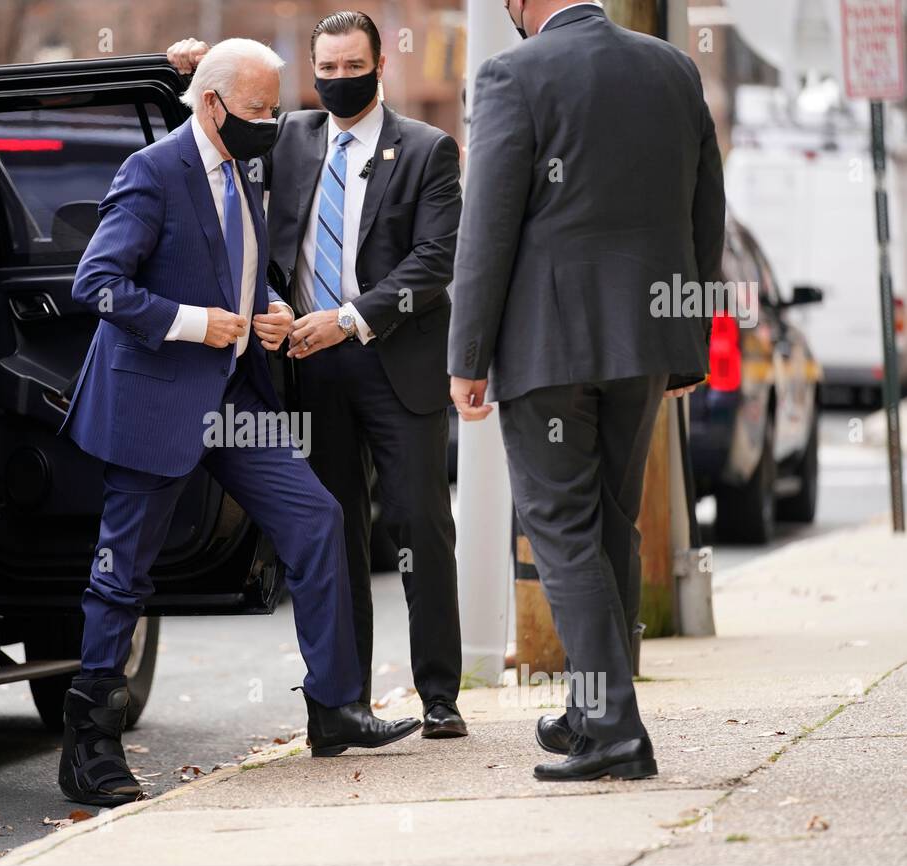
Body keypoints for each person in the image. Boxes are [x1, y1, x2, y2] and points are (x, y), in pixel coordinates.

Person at [58, 38, 421, 807]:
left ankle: (334, 707)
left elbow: (242, 271)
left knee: (318, 517)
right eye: (257, 110)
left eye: (274, 107)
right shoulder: (152, 172)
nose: (271, 122)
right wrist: (198, 323)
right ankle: (89, 746)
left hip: (233, 402)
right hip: (154, 400)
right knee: (123, 574)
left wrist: (270, 312)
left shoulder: (247, 168)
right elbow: (97, 283)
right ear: (214, 104)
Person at [167, 11, 467, 739]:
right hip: (308, 364)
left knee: (418, 528)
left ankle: (438, 695)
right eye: (325, 69)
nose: (338, 80)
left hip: (394, 358)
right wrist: (190, 75)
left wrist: (352, 316)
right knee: (332, 532)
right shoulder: (288, 137)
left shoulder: (428, 149)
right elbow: (215, 139)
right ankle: (346, 699)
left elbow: (433, 262)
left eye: (351, 67)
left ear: (379, 64)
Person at [448, 0, 725, 781]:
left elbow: (488, 225)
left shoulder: (513, 72)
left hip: (550, 342)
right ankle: (588, 706)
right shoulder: (672, 67)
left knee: (563, 530)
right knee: (609, 522)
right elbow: (707, 208)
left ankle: (612, 729)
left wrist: (466, 354)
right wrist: (687, 339)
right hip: (644, 339)